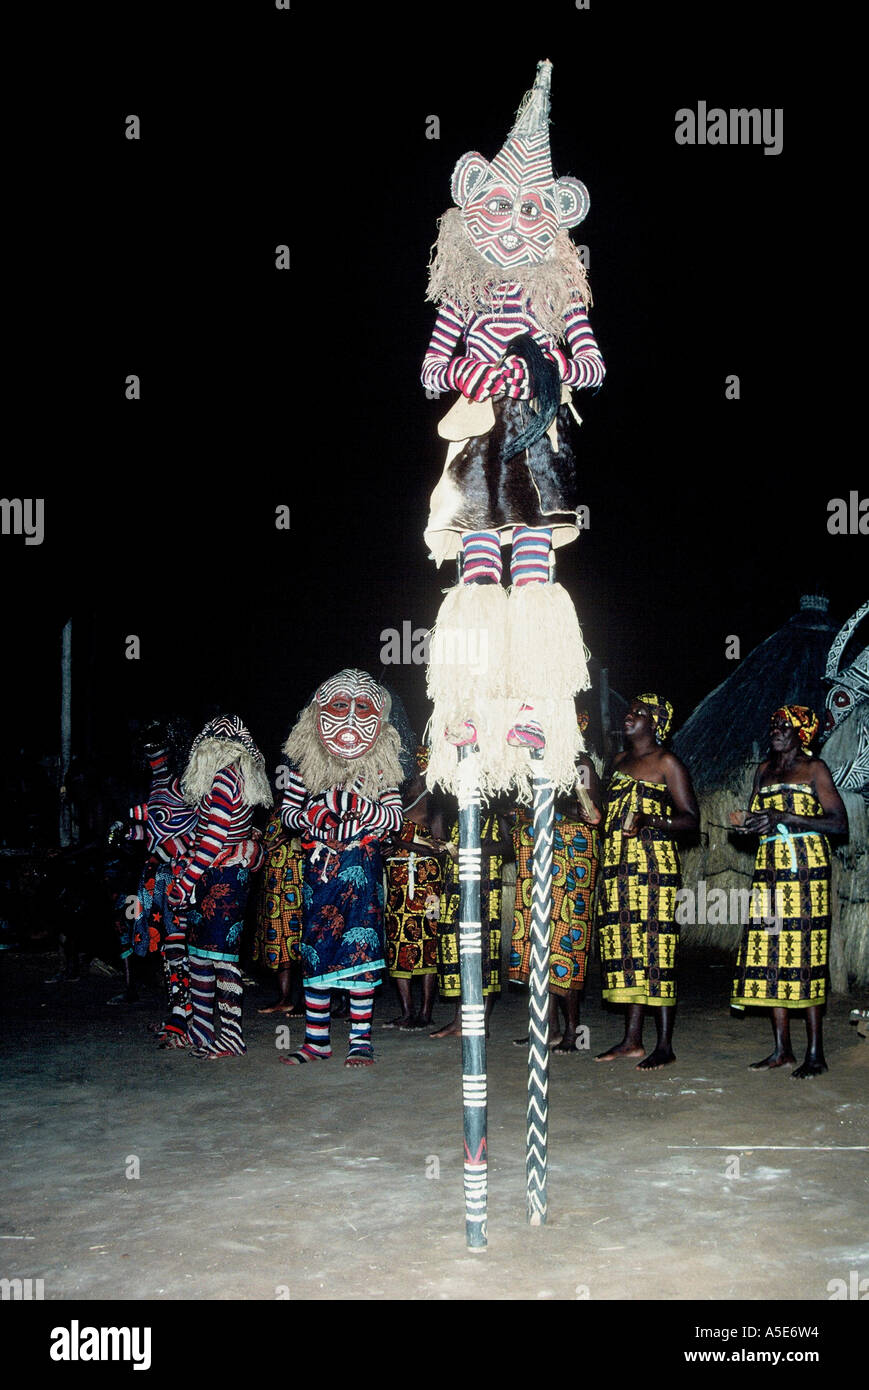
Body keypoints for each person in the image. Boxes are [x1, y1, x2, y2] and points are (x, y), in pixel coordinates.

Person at [422, 59, 604, 798]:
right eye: (499, 206)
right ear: (472, 209)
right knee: (475, 570)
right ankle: (467, 705)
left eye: (532, 211)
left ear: (554, 220)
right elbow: (431, 371)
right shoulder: (462, 298)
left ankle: (532, 705)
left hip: (532, 447)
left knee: (532, 567)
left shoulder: (561, 300)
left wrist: (546, 362)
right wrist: (471, 372)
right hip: (475, 447)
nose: (513, 222)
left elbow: (592, 369)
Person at [279, 670, 404, 1067]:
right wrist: (316, 817)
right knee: (317, 951)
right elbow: (288, 815)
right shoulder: (305, 766)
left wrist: (353, 807)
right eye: (338, 706)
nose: (350, 717)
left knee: (360, 950)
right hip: (320, 874)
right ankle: (317, 1041)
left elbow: (394, 819)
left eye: (361, 707)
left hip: (360, 870)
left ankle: (360, 1041)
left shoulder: (380, 768)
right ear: (317, 713)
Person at [730, 704, 847, 1079]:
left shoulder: (815, 770)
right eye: (773, 724)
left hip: (806, 868)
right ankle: (782, 1050)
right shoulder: (763, 771)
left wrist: (787, 817)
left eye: (785, 725)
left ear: (803, 732)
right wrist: (746, 826)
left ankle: (816, 1053)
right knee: (772, 953)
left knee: (806, 954)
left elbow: (838, 823)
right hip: (769, 869)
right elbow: (758, 819)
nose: (776, 729)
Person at [596, 694, 699, 1070]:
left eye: (639, 713)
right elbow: (611, 814)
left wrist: (651, 820)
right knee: (627, 952)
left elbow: (691, 819)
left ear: (655, 723)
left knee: (656, 952)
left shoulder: (666, 763)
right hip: (618, 870)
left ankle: (665, 1044)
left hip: (653, 869)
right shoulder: (619, 762)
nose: (630, 716)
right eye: (630, 711)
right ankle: (631, 1041)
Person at [166, 714, 271, 1058]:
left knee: (220, 959)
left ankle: (230, 1037)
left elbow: (213, 841)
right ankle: (201, 1031)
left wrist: (185, 880)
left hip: (223, 878)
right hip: (219, 875)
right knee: (200, 958)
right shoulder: (232, 776)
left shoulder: (226, 778)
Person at [510, 733, 602, 1053]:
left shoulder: (581, 765)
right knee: (540, 945)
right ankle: (547, 1028)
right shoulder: (537, 763)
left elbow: (592, 812)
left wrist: (564, 808)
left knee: (566, 944)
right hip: (541, 858)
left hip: (570, 859)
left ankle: (576, 1033)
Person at [430, 804, 511, 1039]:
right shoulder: (458, 812)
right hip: (455, 888)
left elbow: (509, 846)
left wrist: (475, 851)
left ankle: (482, 1023)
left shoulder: (497, 814)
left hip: (486, 891)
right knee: (456, 953)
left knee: (484, 954)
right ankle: (459, 1022)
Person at [383, 747, 446, 1030]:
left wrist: (402, 845)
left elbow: (442, 849)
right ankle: (408, 1012)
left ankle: (425, 1012)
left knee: (428, 944)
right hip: (399, 886)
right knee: (398, 945)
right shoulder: (397, 798)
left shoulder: (433, 802)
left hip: (428, 887)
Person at [252, 811, 305, 1017]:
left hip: (296, 878)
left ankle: (303, 999)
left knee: (300, 939)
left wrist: (290, 834)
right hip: (273, 882)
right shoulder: (272, 807)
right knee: (280, 940)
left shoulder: (302, 800)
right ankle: (284, 999)